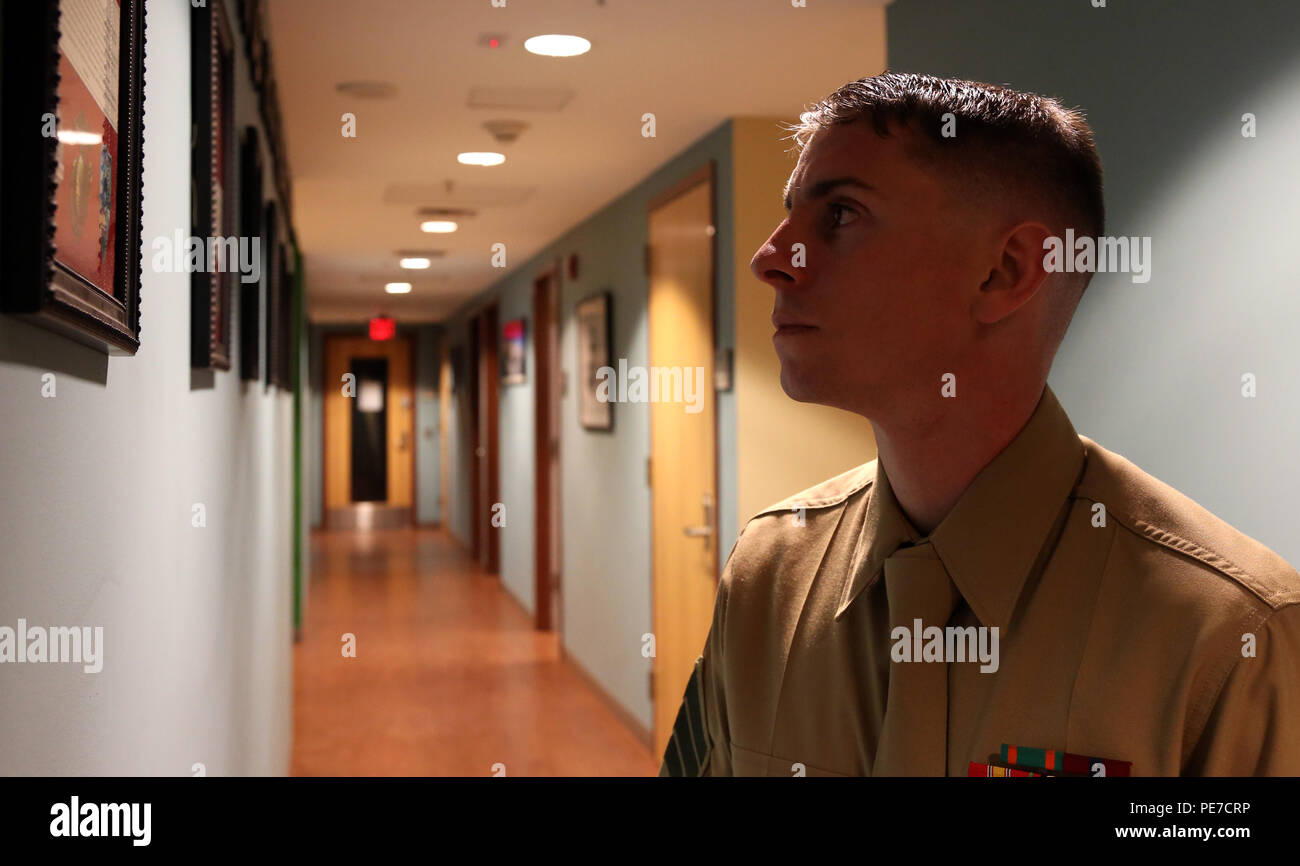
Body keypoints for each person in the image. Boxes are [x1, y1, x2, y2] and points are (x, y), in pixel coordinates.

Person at [658, 71, 1300, 777]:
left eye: (840, 214)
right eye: (790, 218)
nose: (769, 258)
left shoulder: (1231, 636)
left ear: (1005, 270)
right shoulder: (767, 574)